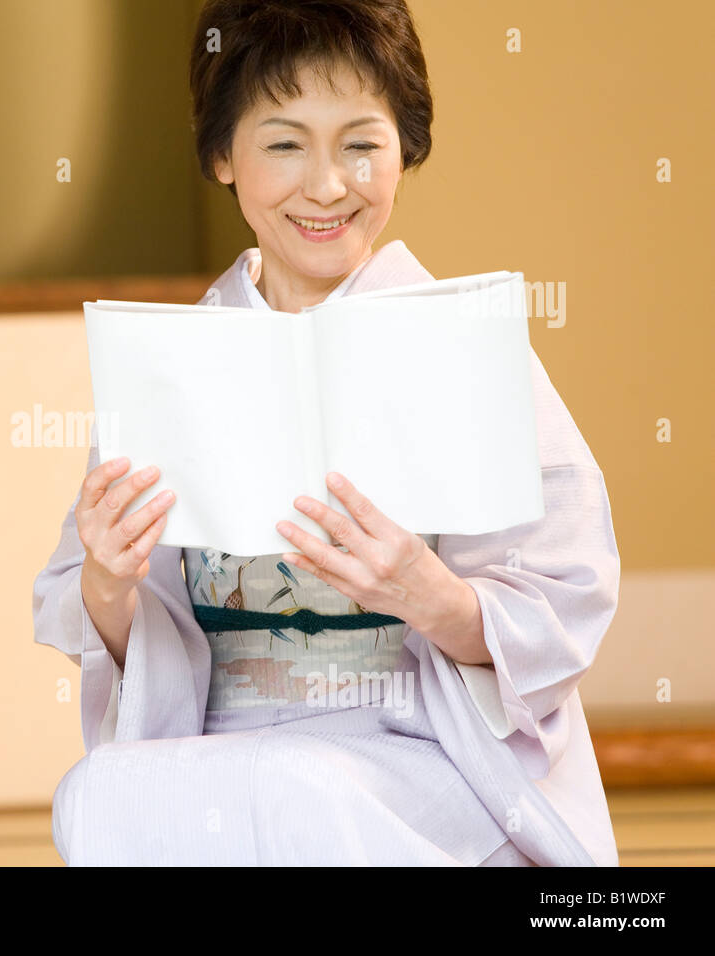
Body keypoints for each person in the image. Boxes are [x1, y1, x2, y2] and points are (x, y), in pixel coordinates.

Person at [32, 0, 621, 865]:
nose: (327, 185)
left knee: (304, 793)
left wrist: (433, 596)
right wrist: (111, 585)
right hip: (228, 739)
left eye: (360, 143)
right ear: (223, 157)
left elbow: (566, 596)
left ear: (403, 147)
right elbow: (128, 635)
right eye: (282, 144)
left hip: (420, 748)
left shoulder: (469, 349)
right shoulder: (170, 364)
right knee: (97, 796)